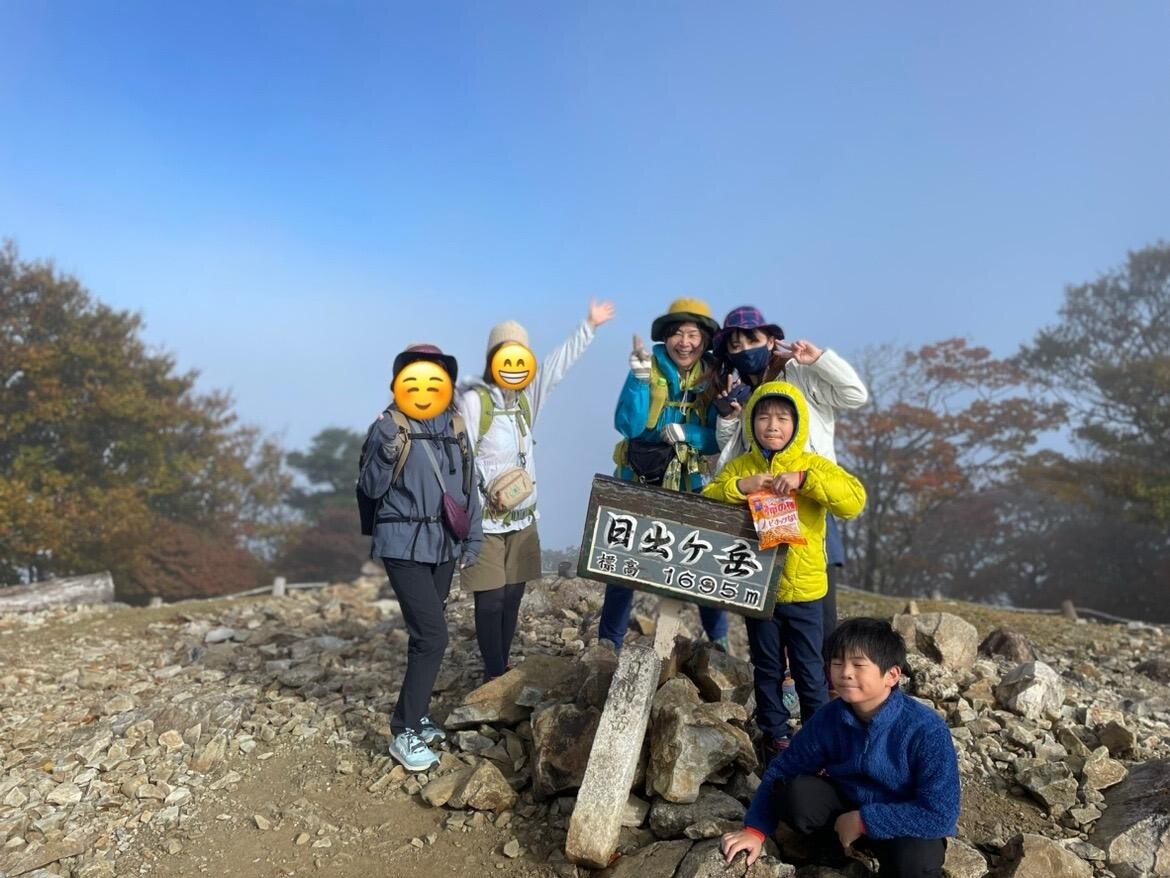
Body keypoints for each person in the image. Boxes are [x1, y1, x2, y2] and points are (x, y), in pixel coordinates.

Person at [720, 618, 960, 878]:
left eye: (858, 665)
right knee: (795, 793)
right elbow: (783, 769)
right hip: (843, 814)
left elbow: (941, 814)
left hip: (900, 825)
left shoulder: (926, 729)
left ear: (892, 675)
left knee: (915, 862)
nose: (845, 672)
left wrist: (865, 821)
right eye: (837, 663)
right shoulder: (829, 718)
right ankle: (836, 854)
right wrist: (755, 830)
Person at [702, 381, 866, 759]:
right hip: (758, 587)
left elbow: (853, 501)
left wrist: (805, 482)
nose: (772, 425)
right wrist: (742, 486)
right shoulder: (741, 466)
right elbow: (707, 499)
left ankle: (817, 739)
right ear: (751, 422)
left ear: (798, 424)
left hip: (807, 590)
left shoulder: (813, 464)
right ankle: (775, 735)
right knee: (767, 667)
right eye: (763, 416)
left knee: (811, 670)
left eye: (782, 418)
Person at [457, 300, 615, 681]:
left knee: (512, 596)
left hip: (524, 515)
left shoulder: (526, 400)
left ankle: (502, 662)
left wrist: (588, 327)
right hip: (485, 521)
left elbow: (557, 366)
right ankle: (494, 674)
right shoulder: (474, 401)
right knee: (490, 599)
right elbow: (453, 441)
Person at [710, 306, 868, 649]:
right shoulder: (741, 392)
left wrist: (821, 360)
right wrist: (729, 420)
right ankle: (783, 679)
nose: (744, 350)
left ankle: (826, 683)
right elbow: (734, 456)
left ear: (771, 340)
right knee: (769, 595)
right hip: (764, 505)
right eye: (735, 346)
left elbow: (855, 395)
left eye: (752, 339)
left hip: (809, 498)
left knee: (817, 600)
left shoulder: (799, 372)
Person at [359, 344, 483, 771]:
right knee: (434, 636)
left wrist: (473, 541)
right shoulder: (389, 426)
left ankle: (418, 714)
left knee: (425, 636)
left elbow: (470, 490)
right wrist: (386, 451)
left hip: (444, 544)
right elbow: (372, 488)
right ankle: (404, 729)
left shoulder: (456, 425)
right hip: (402, 545)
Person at [598, 297, 729, 649]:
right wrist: (640, 379)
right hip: (639, 477)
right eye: (678, 334)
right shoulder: (648, 366)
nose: (685, 343)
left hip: (692, 481)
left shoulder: (714, 375)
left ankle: (720, 643)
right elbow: (628, 424)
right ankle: (607, 644)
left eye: (693, 334)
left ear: (704, 339)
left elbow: (719, 436)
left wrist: (690, 435)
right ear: (666, 337)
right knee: (622, 564)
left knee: (703, 563)